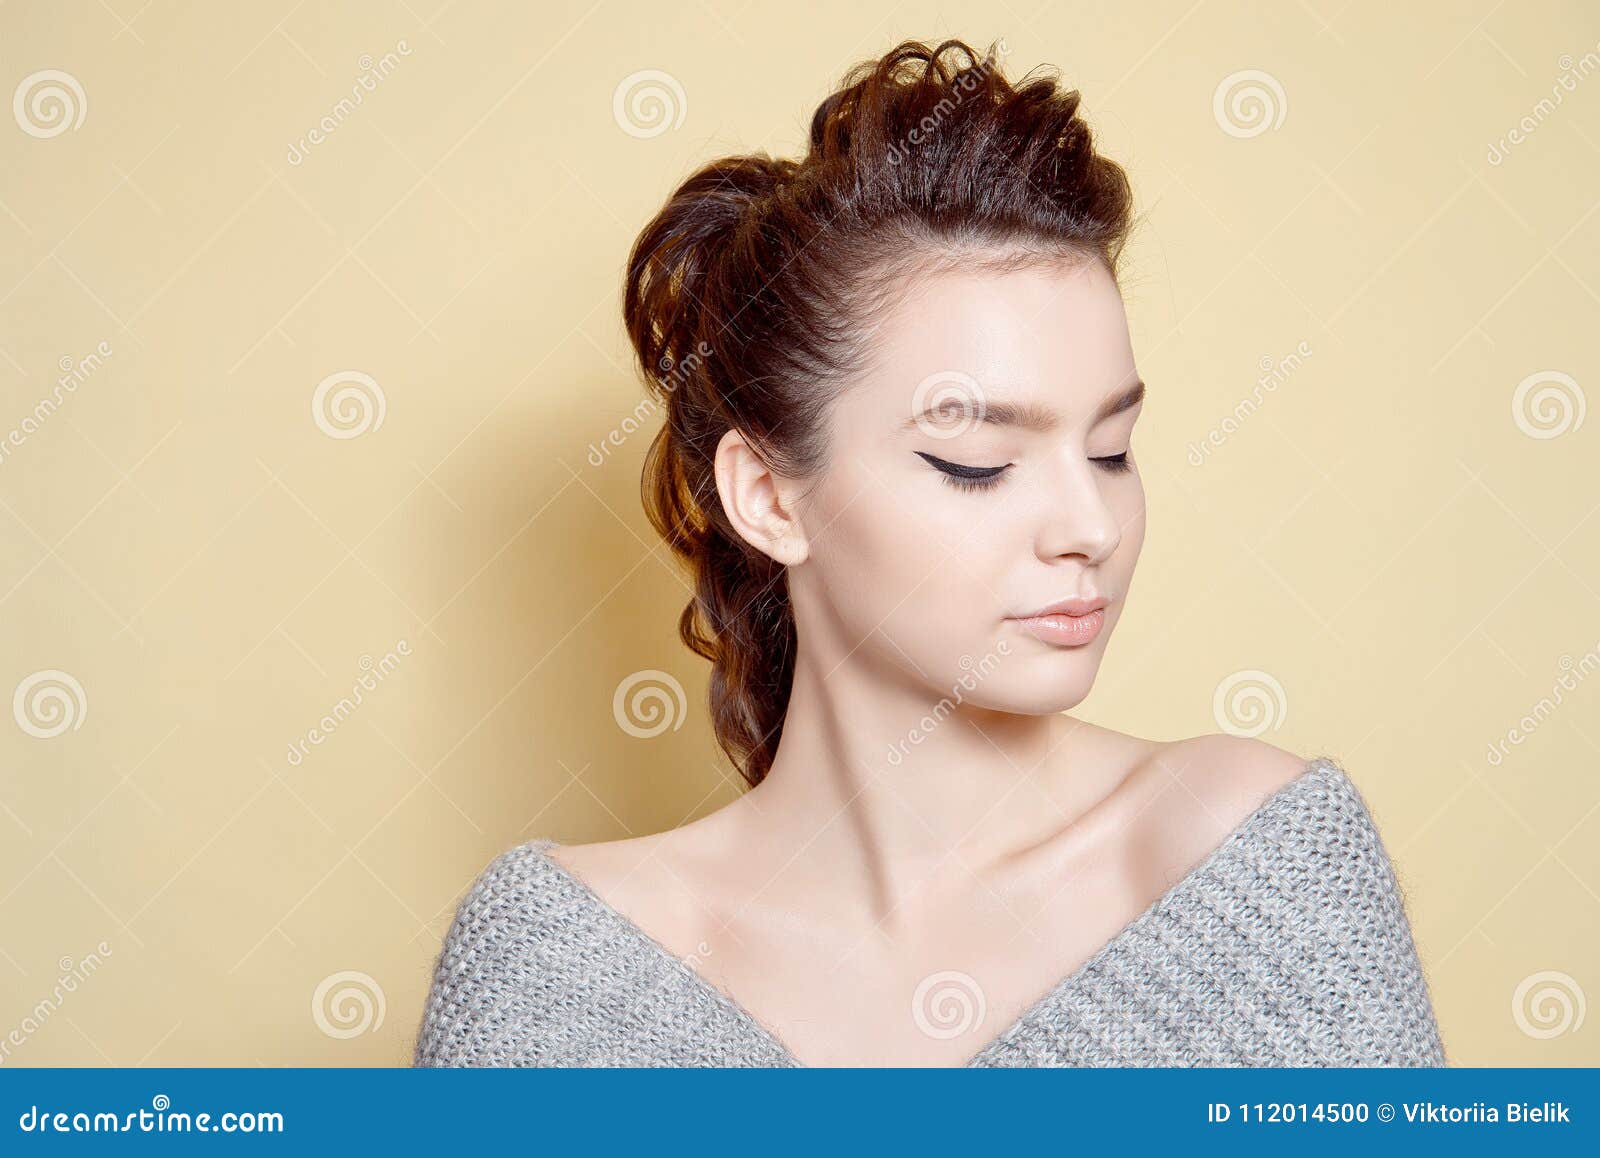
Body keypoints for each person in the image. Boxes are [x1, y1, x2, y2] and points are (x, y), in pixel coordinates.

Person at [413, 37, 1446, 1068]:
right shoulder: (562, 970)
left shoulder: (1247, 865)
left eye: (1110, 449)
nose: (1089, 526)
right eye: (977, 463)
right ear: (769, 498)